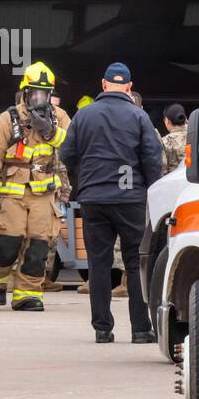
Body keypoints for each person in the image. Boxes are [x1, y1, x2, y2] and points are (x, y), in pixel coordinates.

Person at [59, 62, 163, 343]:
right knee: (135, 262)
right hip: (130, 199)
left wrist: (83, 179)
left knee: (99, 263)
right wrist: (149, 191)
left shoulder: (84, 115)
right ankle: (141, 329)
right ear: (129, 87)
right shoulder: (139, 117)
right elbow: (152, 158)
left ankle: (102, 329)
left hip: (94, 198)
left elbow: (66, 153)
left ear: (103, 84)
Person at [0, 61, 71, 311]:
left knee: (38, 247)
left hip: (44, 195)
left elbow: (72, 147)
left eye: (44, 93)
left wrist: (50, 131)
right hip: (12, 193)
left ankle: (27, 294)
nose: (39, 98)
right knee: (8, 243)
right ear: (25, 93)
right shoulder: (7, 119)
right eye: (35, 92)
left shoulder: (60, 118)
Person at [160, 103, 188, 175]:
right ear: (185, 119)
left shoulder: (164, 142)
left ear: (167, 121)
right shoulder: (198, 136)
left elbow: (163, 169)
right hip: (195, 182)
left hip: (173, 183)